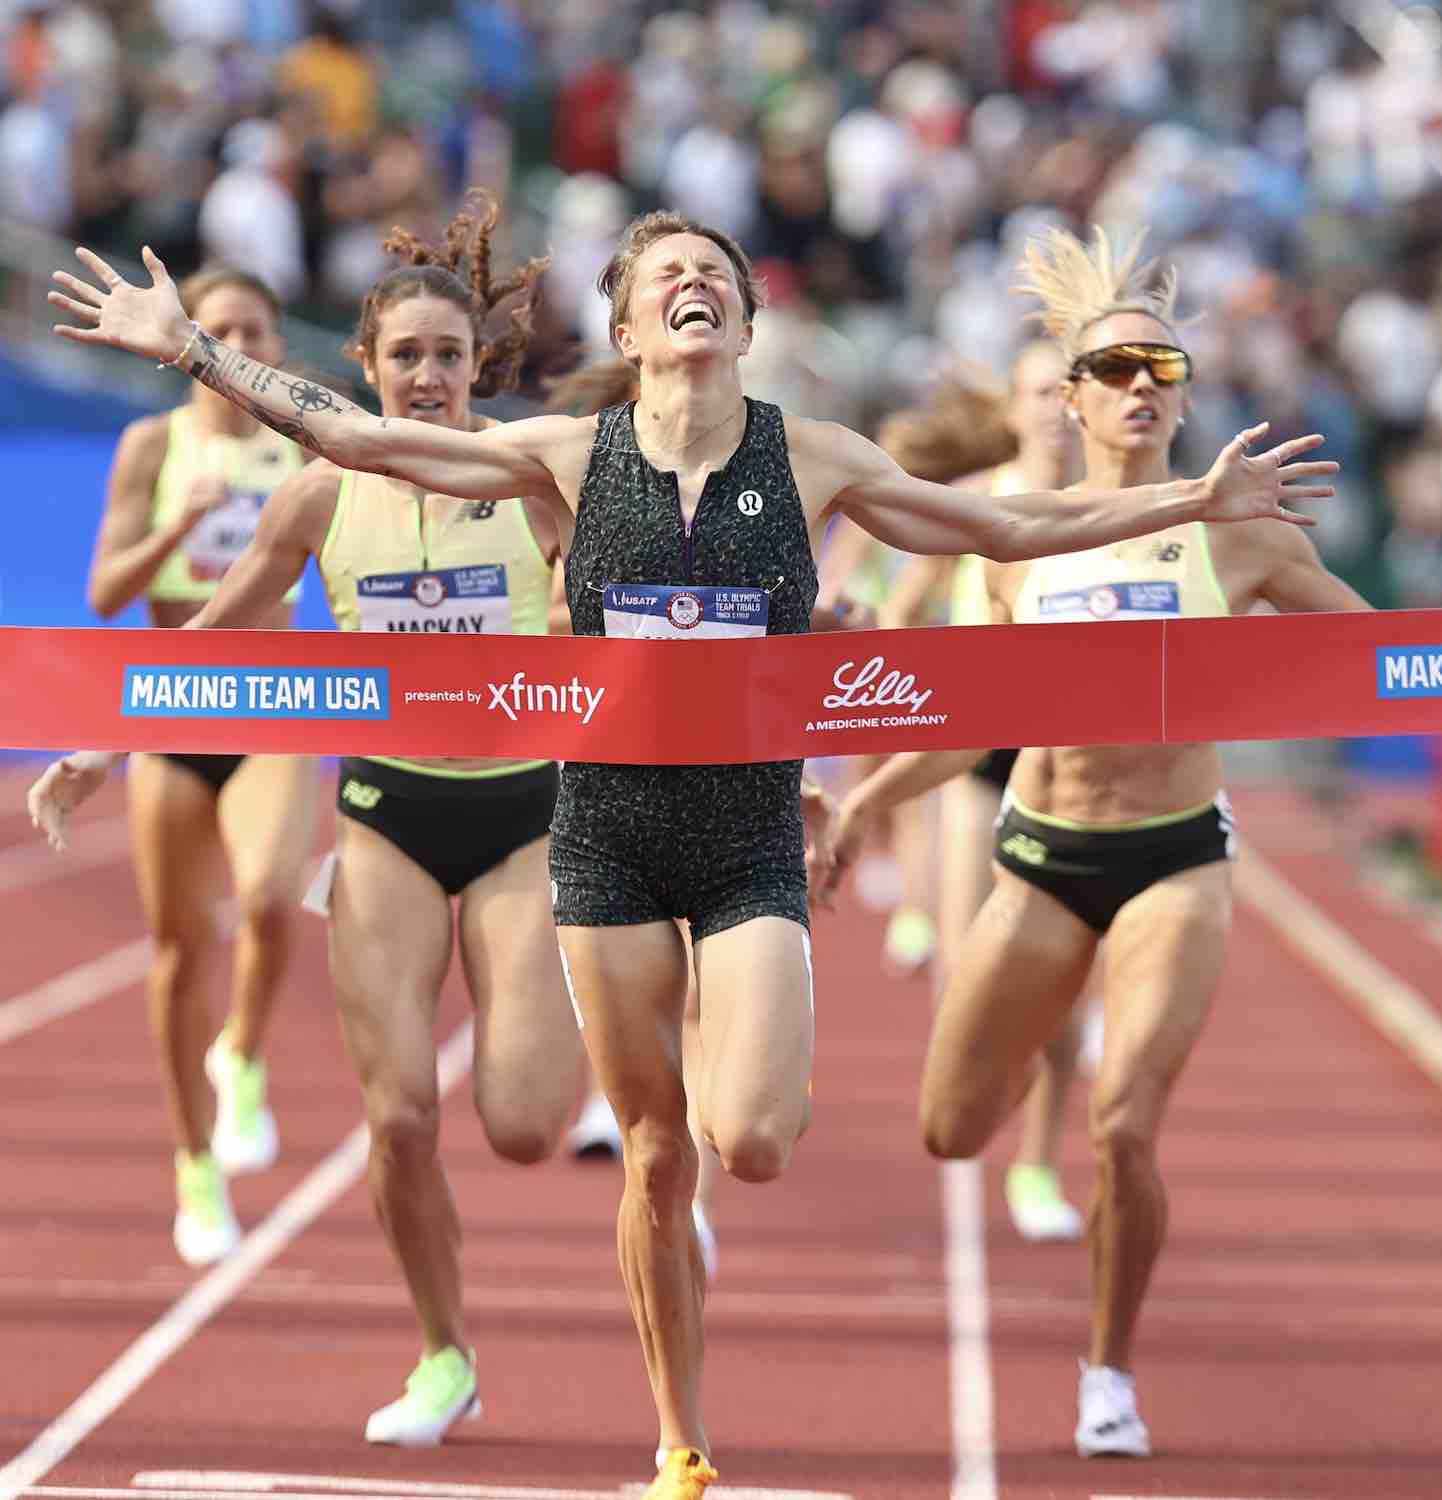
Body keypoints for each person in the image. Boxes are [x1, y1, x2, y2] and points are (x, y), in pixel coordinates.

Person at [48, 209, 1335, 1498]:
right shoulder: (560, 454)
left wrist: (1191, 500)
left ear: (745, 323)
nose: (692, 287)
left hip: (744, 834)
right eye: (666, 276)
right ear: (625, 329)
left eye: (713, 275)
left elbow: (998, 533)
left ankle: (761, 1054)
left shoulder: (814, 456)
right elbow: (351, 434)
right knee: (654, 1151)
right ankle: (678, 1440)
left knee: (753, 1138)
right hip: (601, 832)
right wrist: (193, 355)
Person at [33, 193, 587, 1446]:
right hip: (387, 818)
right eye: (407, 358)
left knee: (516, 1123)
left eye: (451, 355)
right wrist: (102, 746)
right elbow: (204, 636)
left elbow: (623, 636)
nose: (432, 377)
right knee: (396, 1116)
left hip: (520, 817)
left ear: (478, 366)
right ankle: (445, 1355)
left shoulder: (535, 473)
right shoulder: (323, 495)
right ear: (368, 371)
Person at [817, 225, 1367, 1460]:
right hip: (1041, 857)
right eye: (1112, 370)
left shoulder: (1250, 537)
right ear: (1067, 399)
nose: (1135, 389)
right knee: (951, 1127)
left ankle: (1107, 1370)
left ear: (1181, 397)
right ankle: (1032, 1054)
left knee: (1124, 1127)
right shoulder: (1019, 539)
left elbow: (1390, 664)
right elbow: (979, 712)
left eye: (1160, 371)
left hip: (1174, 855)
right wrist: (857, 804)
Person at [51, 267, 319, 1269]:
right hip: (170, 706)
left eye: (254, 328)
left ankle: (242, 1051)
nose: (235, 342)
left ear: (276, 350)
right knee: (177, 950)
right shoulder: (153, 445)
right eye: (217, 328)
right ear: (184, 339)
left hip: (273, 705)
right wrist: (180, 520)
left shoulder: (302, 448)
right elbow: (106, 591)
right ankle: (194, 1165)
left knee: (273, 899)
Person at [877, 342, 1091, 1243]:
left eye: (1068, 391)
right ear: (1010, 409)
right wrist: (917, 682)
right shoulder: (974, 505)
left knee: (1064, 1001)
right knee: (972, 969)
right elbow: (903, 599)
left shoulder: (1118, 503)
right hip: (979, 749)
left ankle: (1038, 1165)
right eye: (1038, 390)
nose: (1055, 408)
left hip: (1079, 761)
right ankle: (990, 1087)